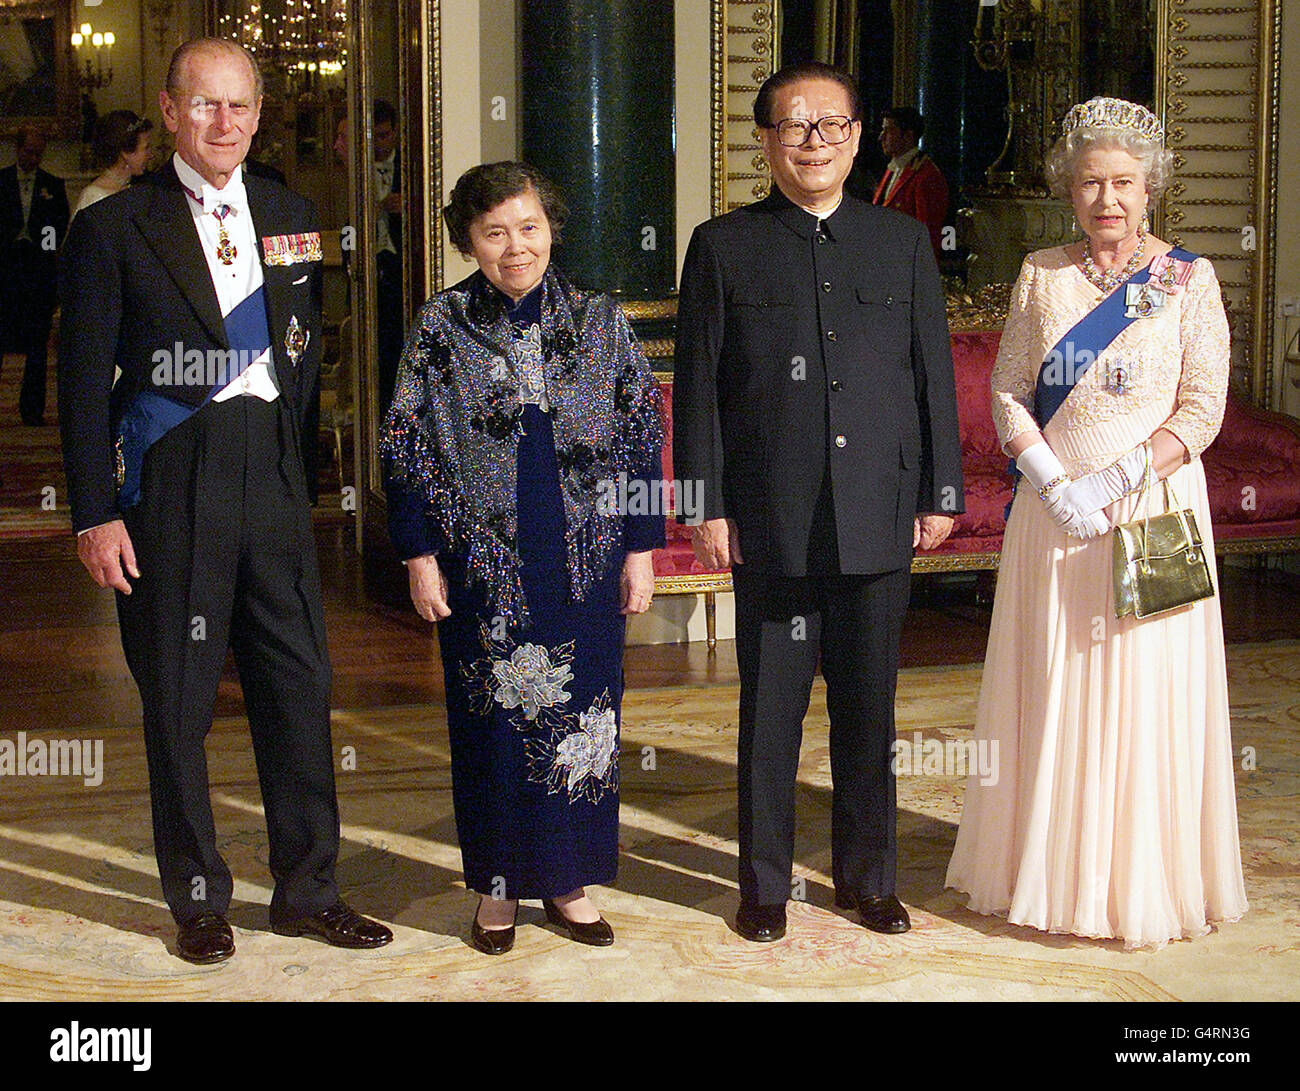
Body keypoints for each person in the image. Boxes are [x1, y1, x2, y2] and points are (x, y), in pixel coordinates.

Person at [58, 37, 392, 965]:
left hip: (273, 484)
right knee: (178, 699)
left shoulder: (290, 212)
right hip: (171, 485)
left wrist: (300, 478)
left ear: (258, 114)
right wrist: (94, 512)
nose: (224, 122)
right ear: (170, 112)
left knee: (299, 686)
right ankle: (199, 898)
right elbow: (83, 386)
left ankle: (309, 889)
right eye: (204, 104)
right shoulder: (115, 227)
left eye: (239, 105)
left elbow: (302, 355)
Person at [945, 97, 1248, 949]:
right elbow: (1008, 389)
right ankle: (1046, 872)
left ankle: (1138, 882)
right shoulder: (1042, 274)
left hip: (1152, 509)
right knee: (1055, 683)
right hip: (1055, 517)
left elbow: (1204, 406)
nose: (1106, 199)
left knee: (1146, 689)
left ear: (1150, 187)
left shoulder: (1188, 280)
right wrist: (1050, 478)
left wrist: (1120, 476)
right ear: (1068, 189)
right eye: (1089, 183)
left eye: (1122, 182)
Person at [673, 62, 964, 943]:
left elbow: (932, 376)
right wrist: (703, 502)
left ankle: (868, 879)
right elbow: (698, 387)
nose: (814, 141)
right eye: (794, 126)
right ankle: (764, 885)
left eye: (831, 125)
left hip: (878, 509)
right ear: (765, 141)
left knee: (869, 712)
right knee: (770, 714)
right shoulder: (723, 245)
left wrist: (941, 487)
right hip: (770, 517)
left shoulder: (900, 242)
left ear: (857, 135)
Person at [380, 161, 663, 955]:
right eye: (494, 232)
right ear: (468, 240)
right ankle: (498, 886)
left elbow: (642, 435)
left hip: (586, 553)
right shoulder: (441, 325)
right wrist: (418, 552)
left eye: (528, 227)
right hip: (483, 560)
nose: (515, 247)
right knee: (493, 722)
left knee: (587, 715)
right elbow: (404, 444)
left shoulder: (601, 320)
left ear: (551, 228)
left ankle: (569, 881)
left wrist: (641, 549)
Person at [0, 123, 69, 426]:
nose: (33, 158)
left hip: (37, 271)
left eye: (38, 153)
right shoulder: (2, 181)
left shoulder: (51, 185)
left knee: (37, 345)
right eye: (29, 152)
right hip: (5, 269)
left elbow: (58, 224)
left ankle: (32, 410)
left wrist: (45, 248)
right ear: (17, 149)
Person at [872, 106, 949, 261]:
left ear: (908, 135)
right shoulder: (894, 168)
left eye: (888, 131)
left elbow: (928, 234)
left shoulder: (926, 176)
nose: (881, 137)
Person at [373, 99, 403, 415]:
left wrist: (406, 205)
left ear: (394, 133)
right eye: (374, 137)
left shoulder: (410, 166)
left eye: (384, 135)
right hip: (371, 264)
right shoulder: (356, 168)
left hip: (400, 264)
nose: (379, 144)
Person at [72, 110, 154, 217]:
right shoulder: (94, 197)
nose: (151, 155)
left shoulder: (137, 188)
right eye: (146, 148)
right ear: (125, 152)